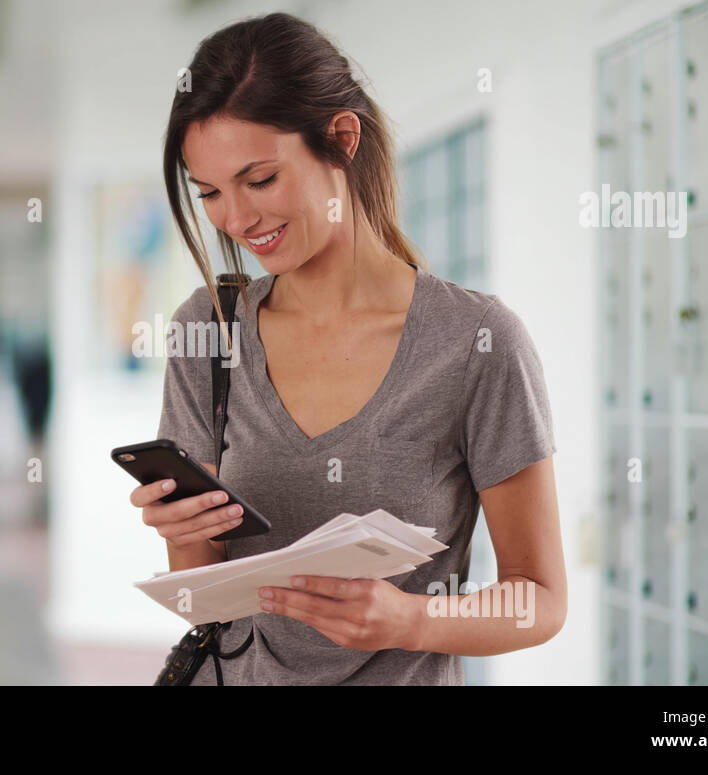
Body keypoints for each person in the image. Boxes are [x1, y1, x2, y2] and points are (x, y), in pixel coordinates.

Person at [128, 12, 565, 685]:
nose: (237, 220)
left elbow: (539, 598)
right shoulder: (208, 331)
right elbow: (198, 596)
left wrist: (409, 620)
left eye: (260, 179)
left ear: (341, 138)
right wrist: (183, 531)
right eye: (210, 193)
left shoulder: (476, 343)